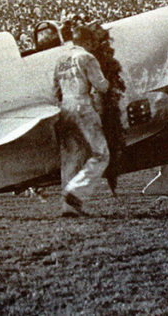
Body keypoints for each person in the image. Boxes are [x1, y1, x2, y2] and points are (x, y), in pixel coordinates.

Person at [53, 24, 110, 217]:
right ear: (86, 41)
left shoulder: (61, 60)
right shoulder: (87, 57)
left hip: (65, 107)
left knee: (71, 157)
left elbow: (55, 89)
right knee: (101, 154)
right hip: (83, 106)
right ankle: (75, 192)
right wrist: (108, 83)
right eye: (92, 41)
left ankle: (68, 207)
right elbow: (101, 86)